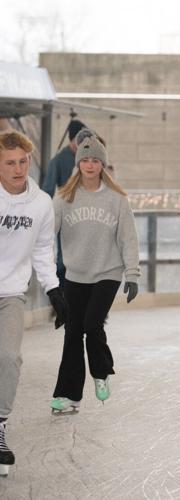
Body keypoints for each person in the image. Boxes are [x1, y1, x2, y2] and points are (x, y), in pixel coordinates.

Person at [50, 136, 140, 414]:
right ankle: (69, 395)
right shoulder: (64, 198)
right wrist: (47, 274)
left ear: (103, 164)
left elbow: (129, 238)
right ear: (79, 163)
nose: (90, 165)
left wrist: (132, 273)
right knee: (73, 333)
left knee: (91, 325)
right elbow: (46, 236)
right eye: (85, 160)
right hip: (75, 274)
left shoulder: (117, 199)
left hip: (108, 272)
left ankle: (100, 373)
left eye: (95, 160)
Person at [0, 131, 68, 476]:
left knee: (9, 358)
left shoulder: (41, 203)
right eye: (9, 163)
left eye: (23, 161)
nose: (17, 169)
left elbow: (43, 250)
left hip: (10, 293)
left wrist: (54, 290)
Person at [41, 119, 86, 197]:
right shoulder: (58, 160)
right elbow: (47, 191)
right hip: (69, 204)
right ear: (73, 139)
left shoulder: (86, 157)